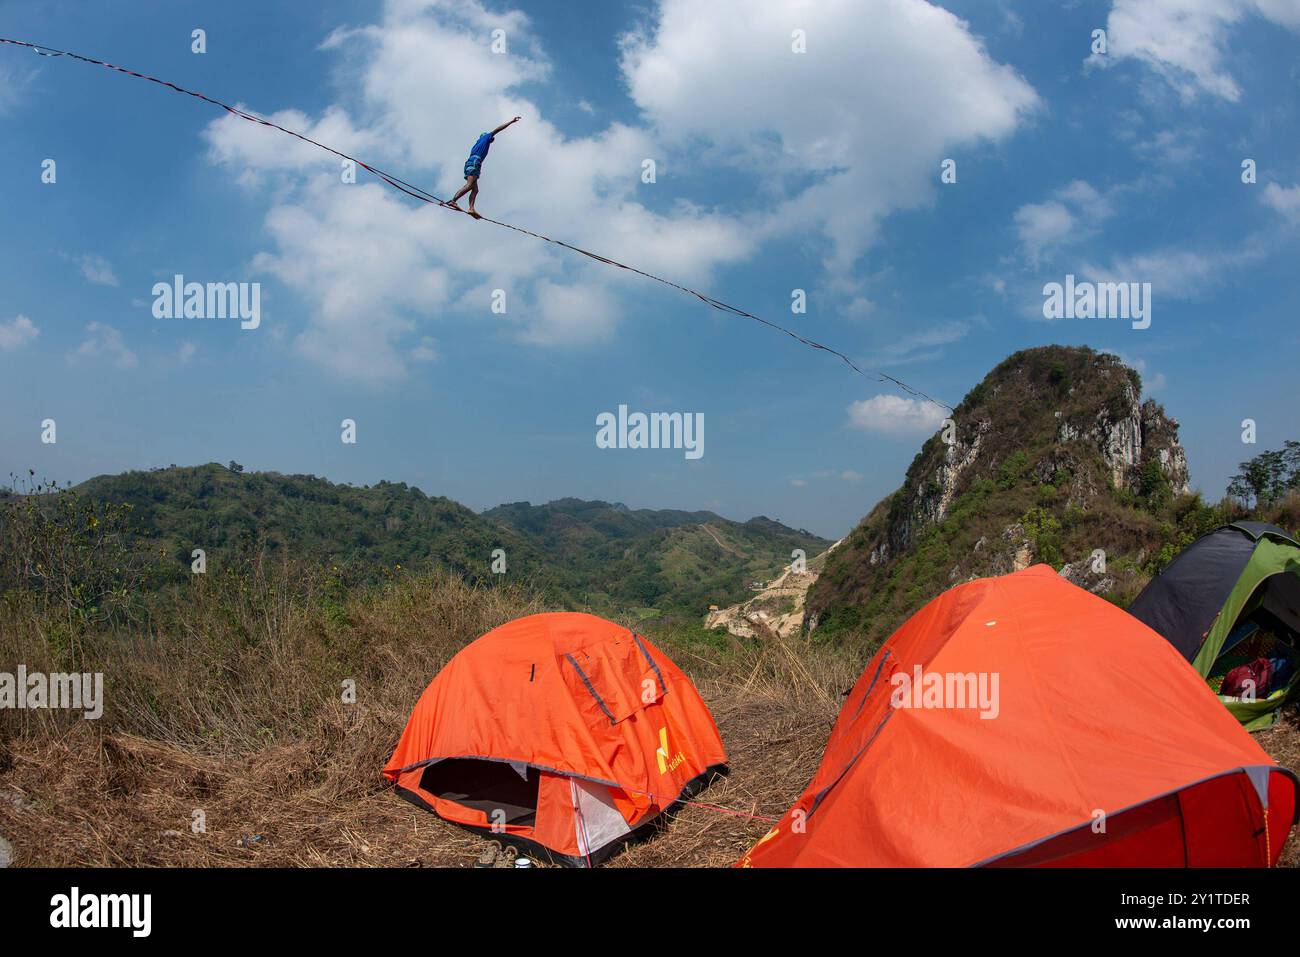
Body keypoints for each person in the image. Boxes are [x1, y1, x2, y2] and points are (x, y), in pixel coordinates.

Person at [448, 116, 521, 218]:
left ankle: (471, 209)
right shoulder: (485, 138)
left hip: (472, 163)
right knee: (469, 185)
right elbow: (498, 129)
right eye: (491, 139)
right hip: (475, 162)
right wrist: (511, 122)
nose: (492, 141)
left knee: (475, 189)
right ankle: (453, 201)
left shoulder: (477, 144)